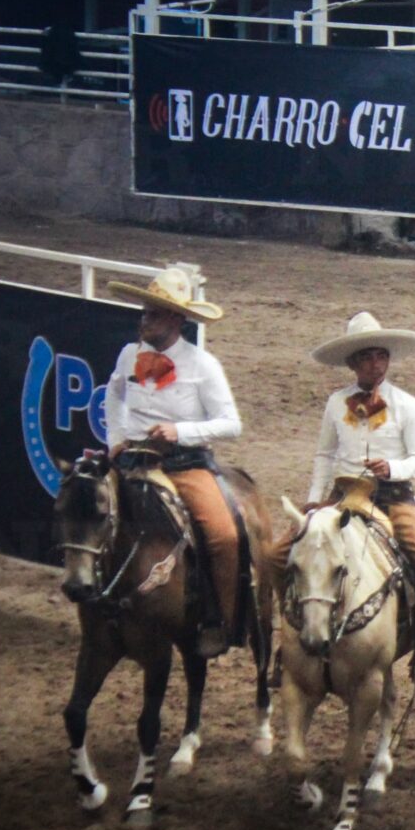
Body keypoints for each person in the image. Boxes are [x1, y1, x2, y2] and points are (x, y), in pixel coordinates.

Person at [271, 311, 415, 693]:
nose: (376, 364)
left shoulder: (407, 405)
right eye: (368, 357)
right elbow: (324, 454)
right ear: (353, 363)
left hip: (393, 498)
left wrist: (393, 467)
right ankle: (290, 634)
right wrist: (313, 502)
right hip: (342, 497)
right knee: (277, 555)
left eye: (382, 356)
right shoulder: (336, 403)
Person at [103, 268, 243, 659]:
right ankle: (95, 597)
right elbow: (113, 395)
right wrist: (115, 439)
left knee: (224, 535)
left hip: (184, 464)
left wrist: (180, 431)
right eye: (143, 312)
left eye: (151, 314)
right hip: (132, 459)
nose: (142, 320)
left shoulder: (204, 365)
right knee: (82, 506)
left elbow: (232, 424)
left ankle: (217, 619)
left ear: (175, 320)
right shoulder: (129, 355)